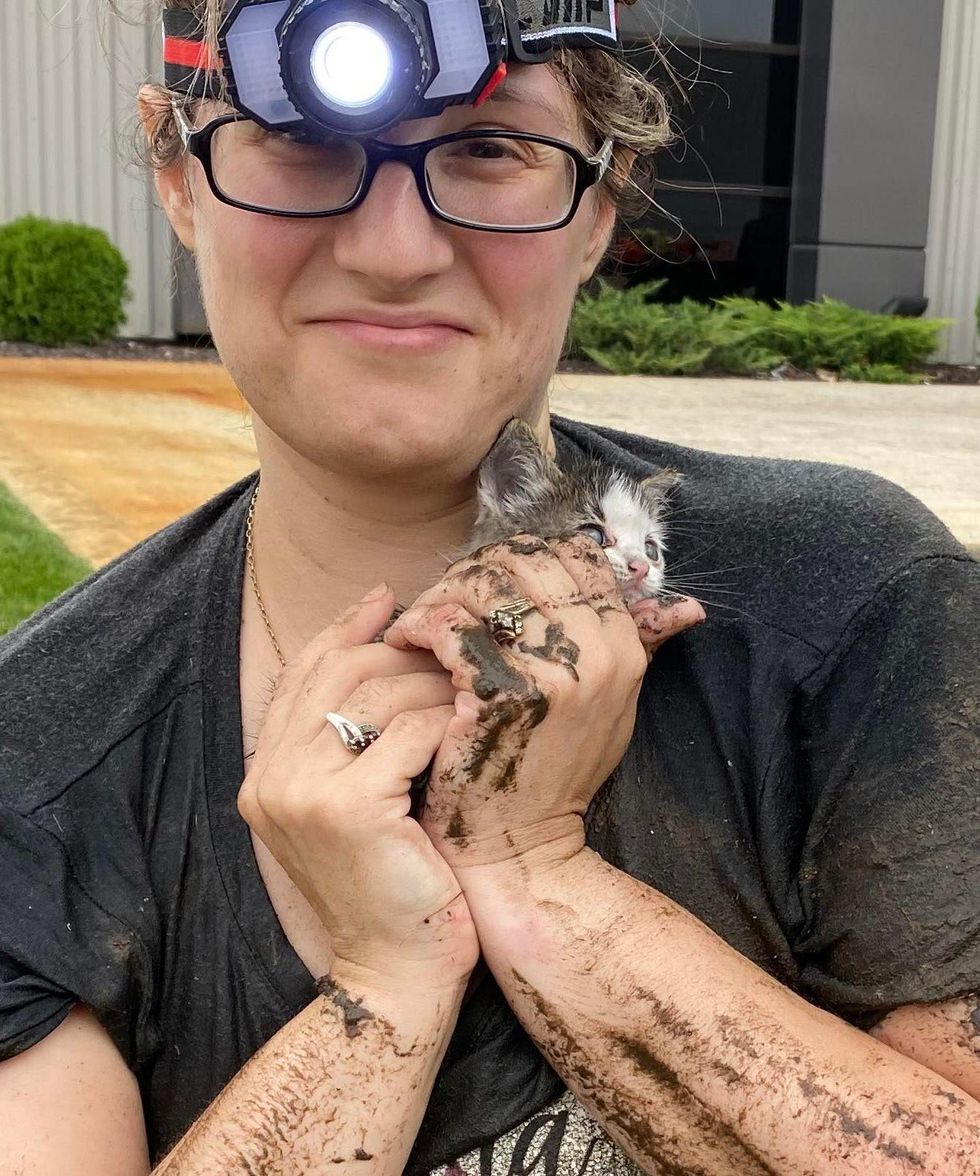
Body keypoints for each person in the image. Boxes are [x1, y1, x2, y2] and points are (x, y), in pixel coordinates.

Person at [1, 1, 978, 1172]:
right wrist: (381, 991)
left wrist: (539, 879)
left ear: (598, 205)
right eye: (299, 142)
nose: (393, 250)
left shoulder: (856, 608)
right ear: (178, 176)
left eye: (485, 150)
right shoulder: (33, 755)